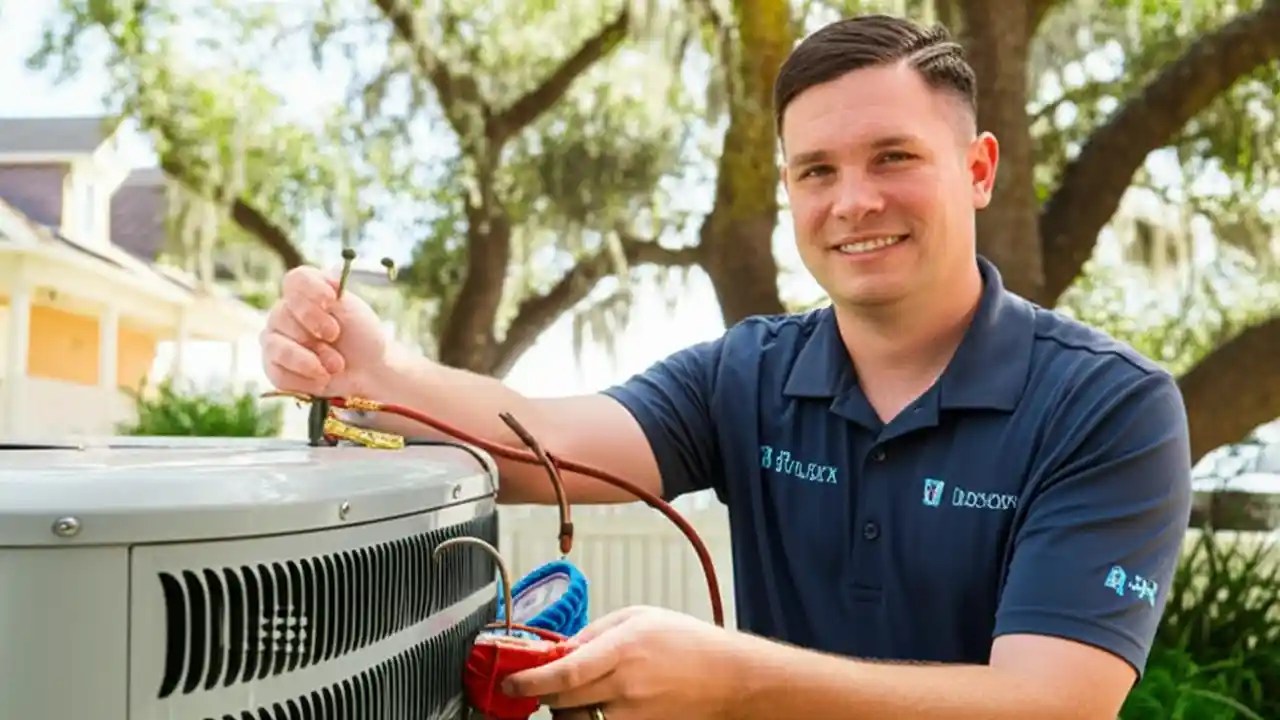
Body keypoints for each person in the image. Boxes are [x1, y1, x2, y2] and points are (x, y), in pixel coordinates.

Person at [260, 13, 1193, 720]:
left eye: (894, 157)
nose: (854, 200)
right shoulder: (747, 374)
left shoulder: (1109, 406)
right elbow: (534, 443)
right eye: (816, 170)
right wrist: (371, 368)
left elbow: (1051, 702)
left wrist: (733, 678)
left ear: (979, 169)